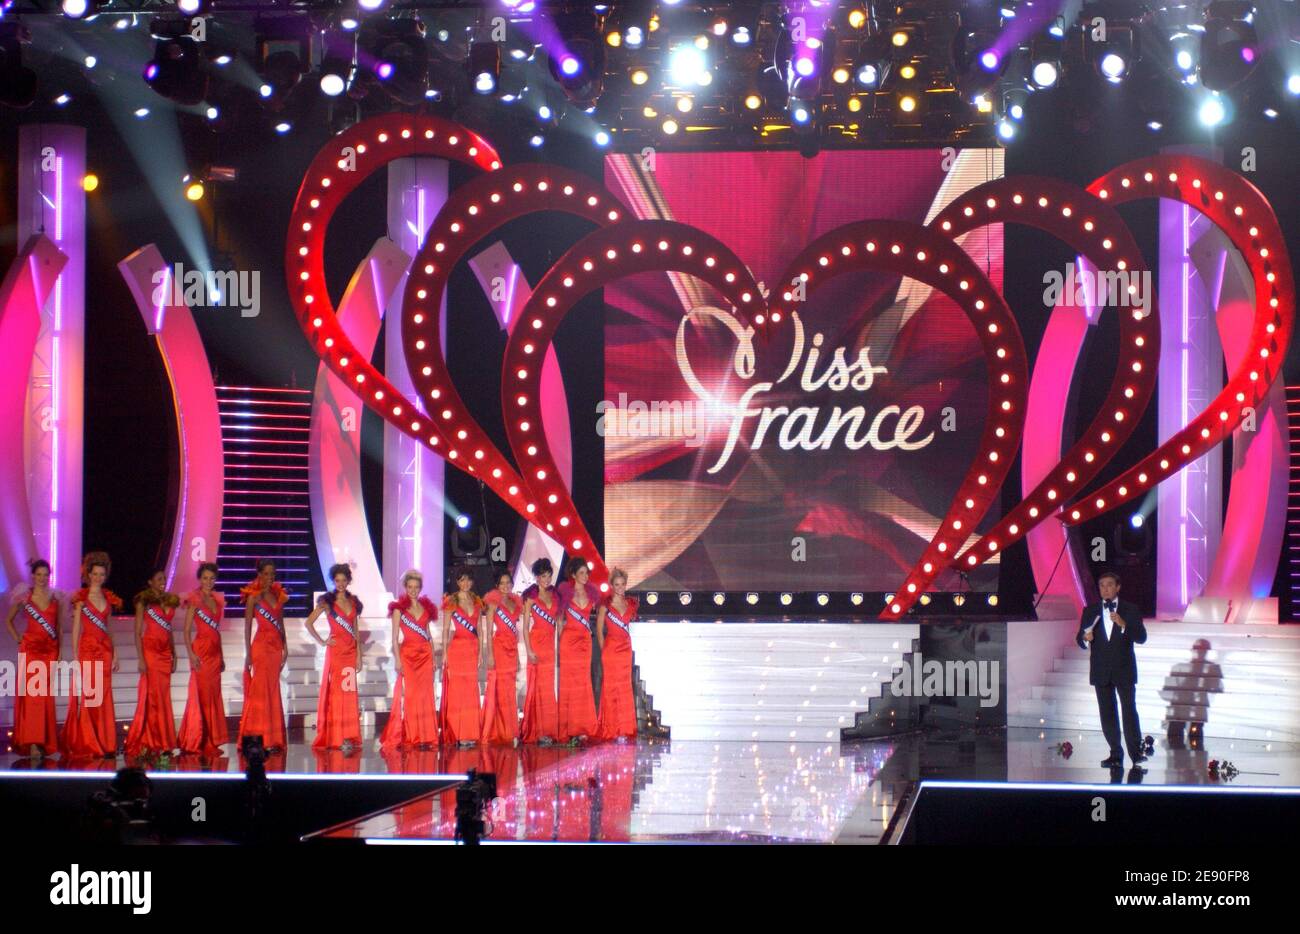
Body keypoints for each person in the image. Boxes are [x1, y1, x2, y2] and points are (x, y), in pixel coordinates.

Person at [1076, 569, 1148, 769]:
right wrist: (1084, 639)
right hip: (1100, 671)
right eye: (1101, 585)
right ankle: (1115, 753)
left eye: (1109, 585)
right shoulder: (1090, 611)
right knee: (1107, 714)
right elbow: (1079, 638)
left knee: (1129, 712)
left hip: (1123, 670)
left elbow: (1141, 637)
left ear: (1117, 587)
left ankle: (1136, 754)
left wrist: (1124, 625)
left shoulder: (1130, 609)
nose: (1105, 589)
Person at [62, 551, 122, 759]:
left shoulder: (108, 598)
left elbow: (110, 628)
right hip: (87, 651)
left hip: (105, 651)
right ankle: (90, 743)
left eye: (101, 574)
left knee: (104, 696)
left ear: (106, 576)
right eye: (95, 574)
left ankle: (105, 743)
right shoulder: (80, 598)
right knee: (90, 696)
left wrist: (115, 654)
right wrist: (76, 657)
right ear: (88, 574)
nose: (98, 577)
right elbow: (76, 629)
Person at [4, 559, 60, 758]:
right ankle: (33, 742)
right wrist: (18, 638)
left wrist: (58, 653)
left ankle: (43, 740)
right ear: (33, 576)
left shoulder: (55, 598)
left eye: (46, 575)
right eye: (39, 575)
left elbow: (58, 628)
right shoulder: (24, 598)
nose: (42, 578)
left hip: (49, 650)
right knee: (32, 697)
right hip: (30, 651)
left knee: (44, 697)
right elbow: (9, 620)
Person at [379, 569, 440, 751]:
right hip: (408, 655)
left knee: (426, 696)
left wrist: (434, 656)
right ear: (405, 587)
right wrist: (398, 660)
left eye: (416, 587)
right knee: (412, 697)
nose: (413, 590)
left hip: (425, 656)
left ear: (420, 588)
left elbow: (428, 634)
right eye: (410, 587)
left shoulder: (426, 607)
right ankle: (414, 735)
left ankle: (426, 736)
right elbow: (394, 637)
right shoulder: (398, 609)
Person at [305, 564, 363, 752]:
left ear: (348, 581)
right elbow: (309, 622)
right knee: (338, 694)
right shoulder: (327, 602)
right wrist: (323, 641)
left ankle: (348, 735)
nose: (340, 584)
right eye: (337, 580)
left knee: (350, 693)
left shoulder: (353, 602)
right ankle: (338, 736)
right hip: (337, 653)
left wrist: (359, 656)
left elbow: (355, 630)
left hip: (350, 653)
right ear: (333, 581)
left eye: (343, 580)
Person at [124, 570, 180, 758]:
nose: (162, 582)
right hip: (150, 652)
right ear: (150, 582)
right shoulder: (143, 602)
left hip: (165, 654)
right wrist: (140, 658)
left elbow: (169, 629)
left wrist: (174, 653)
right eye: (158, 579)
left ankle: (164, 742)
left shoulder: (169, 601)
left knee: (163, 697)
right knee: (152, 697)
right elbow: (137, 631)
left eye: (164, 579)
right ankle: (150, 741)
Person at [177, 562, 229, 756]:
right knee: (201, 694)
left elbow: (217, 631)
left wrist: (222, 656)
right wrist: (191, 655)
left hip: (215, 653)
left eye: (212, 578)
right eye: (205, 578)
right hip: (201, 651)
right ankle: (197, 738)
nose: (209, 581)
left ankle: (210, 739)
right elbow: (185, 630)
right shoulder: (194, 599)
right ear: (200, 579)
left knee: (213, 695)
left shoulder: (216, 600)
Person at [238, 559, 289, 752]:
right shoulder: (254, 598)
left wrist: (286, 647)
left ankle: (273, 737)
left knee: (273, 689)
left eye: (272, 574)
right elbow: (248, 627)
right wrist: (248, 653)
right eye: (266, 573)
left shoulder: (278, 595)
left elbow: (280, 623)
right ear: (259, 574)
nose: (270, 577)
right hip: (260, 647)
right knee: (260, 690)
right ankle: (257, 736)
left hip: (276, 648)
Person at [555, 557, 599, 744]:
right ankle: (569, 727)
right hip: (568, 641)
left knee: (583, 682)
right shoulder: (565, 592)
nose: (585, 576)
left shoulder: (592, 594)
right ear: (573, 574)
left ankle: (583, 727)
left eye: (586, 572)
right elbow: (558, 620)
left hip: (585, 642)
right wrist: (559, 643)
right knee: (569, 684)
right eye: (581, 572)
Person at [439, 567, 484, 746]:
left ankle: (470, 732)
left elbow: (480, 628)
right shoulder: (451, 600)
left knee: (471, 691)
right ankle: (457, 733)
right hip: (457, 649)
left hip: (472, 649)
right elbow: (445, 628)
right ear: (457, 582)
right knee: (458, 692)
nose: (465, 583)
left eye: (468, 580)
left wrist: (481, 652)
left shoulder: (476, 600)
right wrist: (444, 653)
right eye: (461, 580)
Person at [594, 567, 638, 743]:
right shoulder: (605, 605)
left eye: (623, 584)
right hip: (611, 650)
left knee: (624, 688)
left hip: (625, 649)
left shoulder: (630, 605)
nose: (620, 587)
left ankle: (624, 729)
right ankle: (611, 728)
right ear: (612, 585)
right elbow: (598, 630)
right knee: (611, 688)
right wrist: (605, 650)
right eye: (617, 584)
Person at [519, 557, 560, 744]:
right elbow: (526, 626)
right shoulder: (530, 597)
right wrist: (529, 650)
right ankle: (537, 731)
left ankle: (548, 730)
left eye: (549, 575)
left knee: (548, 688)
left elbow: (558, 623)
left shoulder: (555, 596)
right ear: (536, 577)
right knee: (537, 688)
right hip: (536, 644)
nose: (546, 579)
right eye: (543, 576)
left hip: (550, 646)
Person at [481, 568, 524, 745]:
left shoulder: (516, 603)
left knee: (509, 690)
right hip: (498, 648)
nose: (506, 586)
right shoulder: (492, 604)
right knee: (499, 690)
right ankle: (498, 730)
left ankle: (510, 730)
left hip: (512, 649)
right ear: (497, 585)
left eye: (508, 582)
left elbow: (515, 630)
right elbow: (489, 631)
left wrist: (519, 657)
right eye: (502, 583)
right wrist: (490, 655)